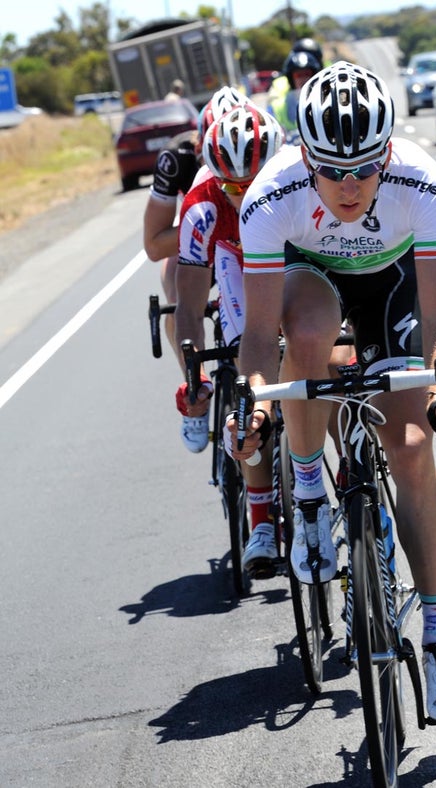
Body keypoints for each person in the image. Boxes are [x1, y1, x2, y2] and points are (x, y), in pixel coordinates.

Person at [230, 61, 436, 722]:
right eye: (333, 170)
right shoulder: (271, 194)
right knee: (309, 333)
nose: (350, 185)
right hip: (312, 280)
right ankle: (310, 491)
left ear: (388, 152)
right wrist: (255, 405)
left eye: (366, 168)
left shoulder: (423, 183)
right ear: (303, 156)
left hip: (394, 283)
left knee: (412, 448)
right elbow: (258, 335)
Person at [175, 103, 285, 576]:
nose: (244, 195)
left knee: (323, 357)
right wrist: (195, 375)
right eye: (233, 187)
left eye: (254, 182)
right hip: (236, 265)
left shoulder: (299, 182)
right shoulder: (201, 206)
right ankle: (261, 520)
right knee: (248, 388)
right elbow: (187, 305)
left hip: (293, 258)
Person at [143, 85, 245, 452]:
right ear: (200, 143)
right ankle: (196, 385)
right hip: (199, 238)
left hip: (243, 242)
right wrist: (205, 226)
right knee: (174, 282)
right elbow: (154, 244)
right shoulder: (177, 158)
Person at [268, 48, 323, 140]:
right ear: (291, 78)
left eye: (307, 74)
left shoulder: (325, 101)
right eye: (298, 75)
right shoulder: (276, 107)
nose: (303, 79)